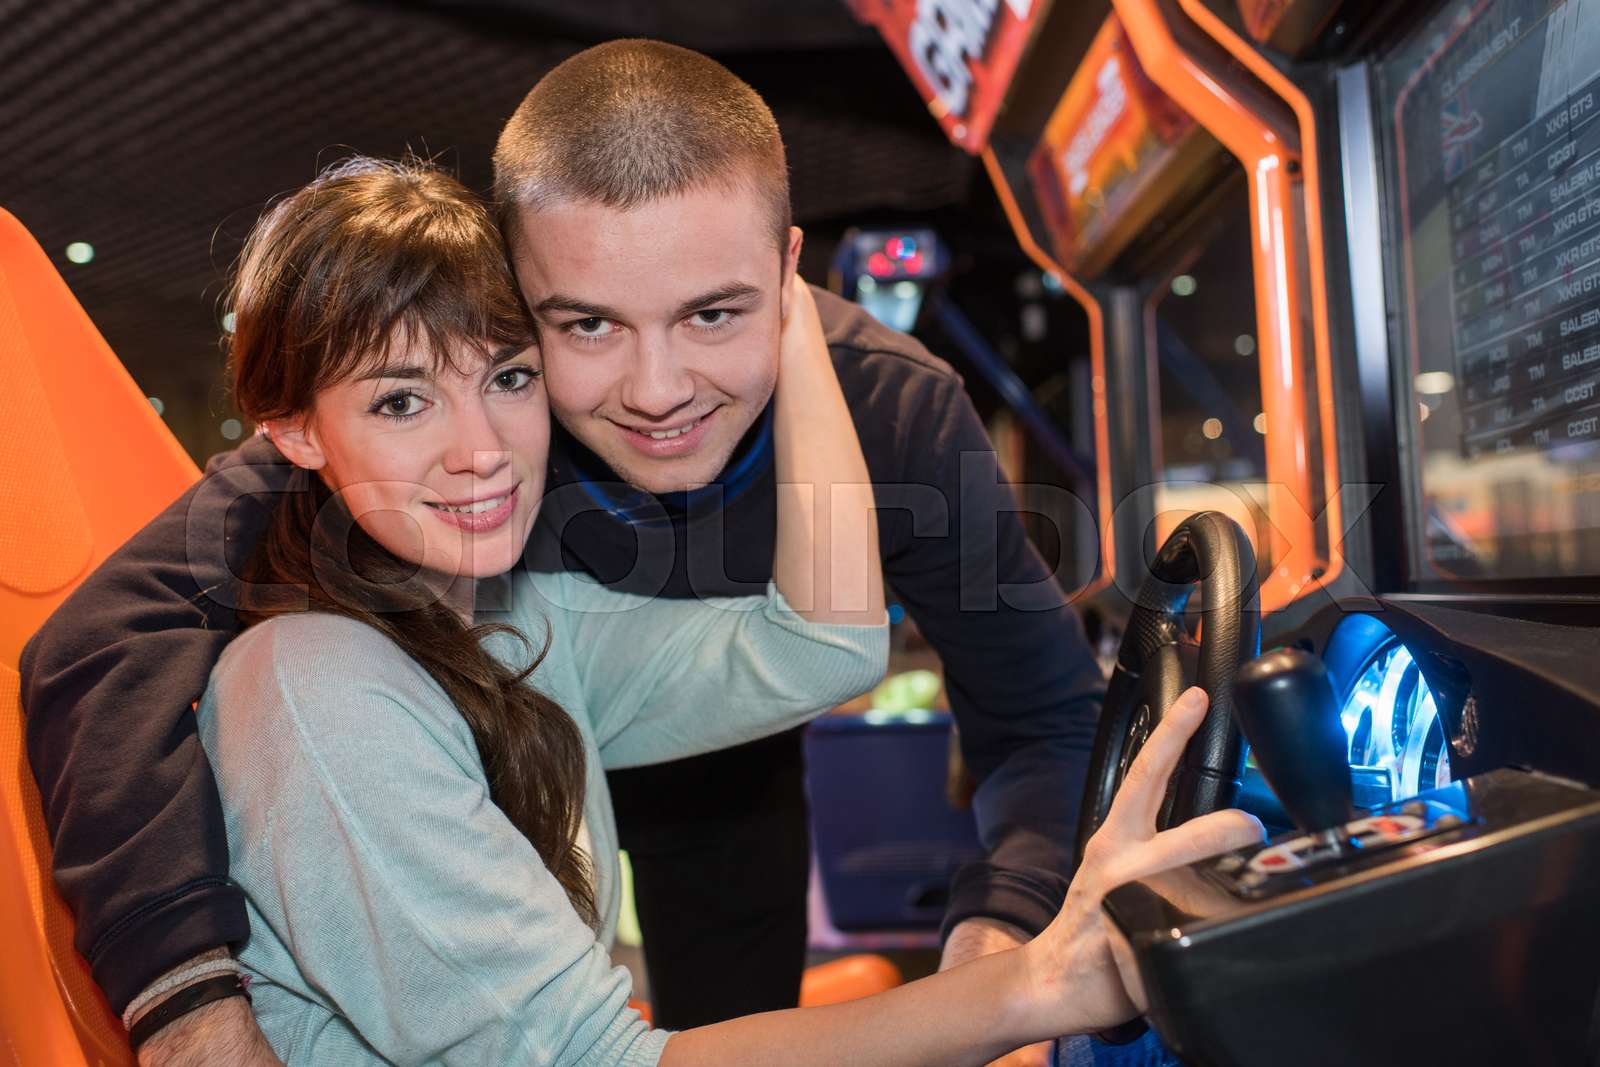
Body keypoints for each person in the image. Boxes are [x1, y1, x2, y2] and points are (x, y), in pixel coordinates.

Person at [21, 39, 1106, 1066]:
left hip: (694, 759)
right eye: (584, 326)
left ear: (785, 277)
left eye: (716, 311)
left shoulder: (877, 414)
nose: (657, 388)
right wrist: (188, 1002)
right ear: (518, 284)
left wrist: (1002, 938)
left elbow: (992, 697)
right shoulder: (361, 553)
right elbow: (112, 634)